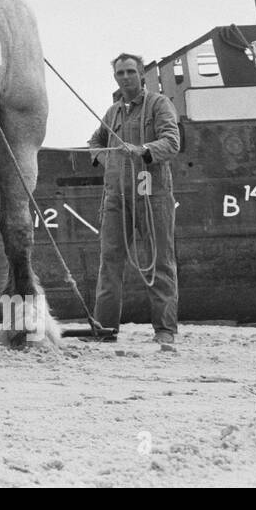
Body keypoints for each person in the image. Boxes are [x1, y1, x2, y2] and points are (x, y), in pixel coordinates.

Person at [87, 53, 181, 349]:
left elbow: (172, 142)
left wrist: (143, 150)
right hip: (116, 196)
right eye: (120, 73)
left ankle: (165, 330)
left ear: (142, 74)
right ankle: (105, 330)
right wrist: (107, 159)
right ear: (115, 77)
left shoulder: (160, 104)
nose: (125, 77)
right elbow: (95, 142)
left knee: (160, 262)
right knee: (109, 263)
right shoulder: (112, 112)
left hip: (153, 196)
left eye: (130, 72)